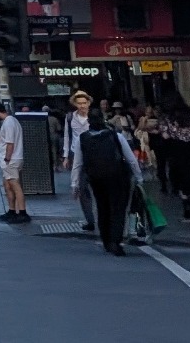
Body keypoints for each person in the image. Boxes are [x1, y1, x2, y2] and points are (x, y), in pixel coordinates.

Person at [77, 113, 143, 256]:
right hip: (117, 177)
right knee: (118, 208)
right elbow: (131, 159)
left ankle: (106, 240)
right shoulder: (116, 136)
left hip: (95, 178)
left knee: (102, 207)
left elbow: (78, 164)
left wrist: (75, 184)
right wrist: (139, 177)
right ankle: (115, 241)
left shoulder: (82, 138)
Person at [61, 92, 100, 232]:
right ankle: (90, 220)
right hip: (77, 153)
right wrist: (66, 156)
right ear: (75, 104)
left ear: (88, 103)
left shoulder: (94, 117)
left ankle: (101, 217)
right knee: (82, 189)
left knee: (98, 188)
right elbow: (67, 136)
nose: (82, 106)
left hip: (94, 156)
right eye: (79, 103)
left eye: (84, 103)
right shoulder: (70, 117)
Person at [0, 103, 30, 224]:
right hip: (14, 158)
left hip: (11, 159)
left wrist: (7, 158)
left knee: (15, 185)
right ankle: (12, 210)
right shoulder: (13, 121)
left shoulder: (8, 123)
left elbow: (10, 143)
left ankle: (22, 212)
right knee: (8, 185)